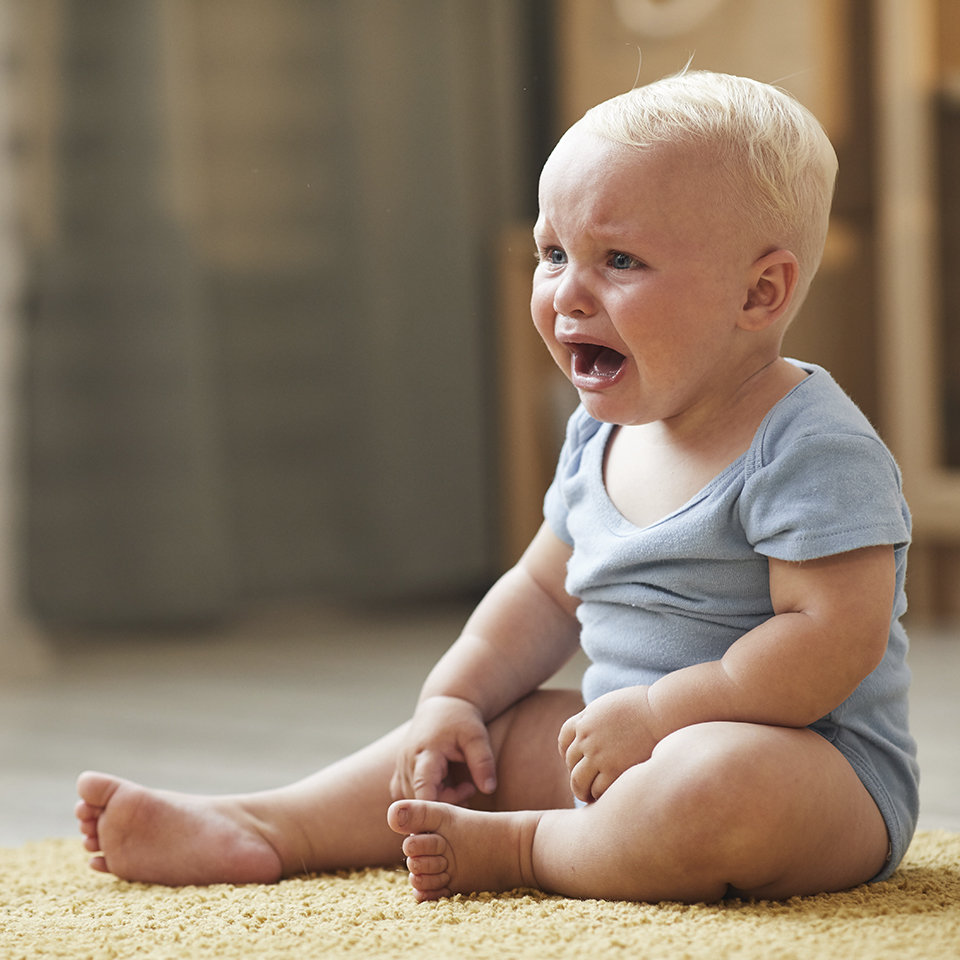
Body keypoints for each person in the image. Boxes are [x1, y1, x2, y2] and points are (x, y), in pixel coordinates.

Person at [75, 69, 918, 904]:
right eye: (554, 254)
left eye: (620, 260)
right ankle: (271, 824)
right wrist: (455, 697)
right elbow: (544, 594)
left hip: (811, 772)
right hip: (618, 742)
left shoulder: (809, 449)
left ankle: (526, 846)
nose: (567, 294)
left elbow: (829, 640)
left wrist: (663, 716)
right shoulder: (601, 434)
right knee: (485, 740)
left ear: (759, 293)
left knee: (718, 780)